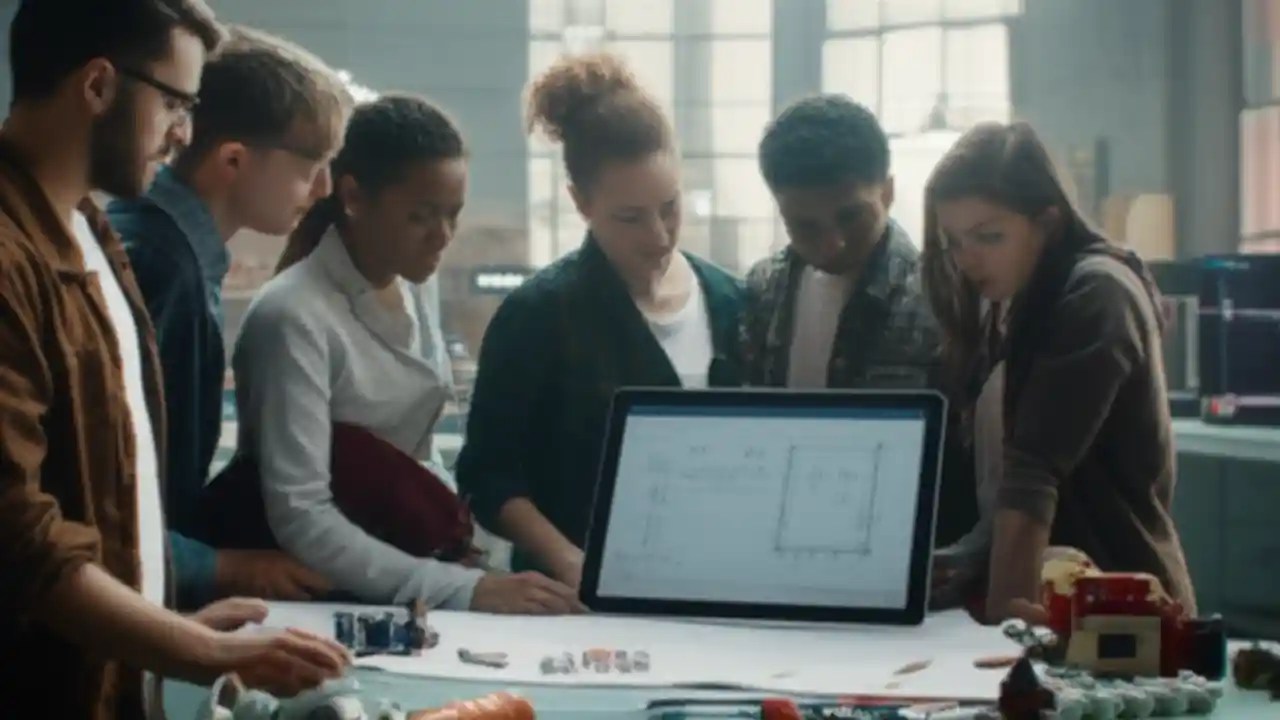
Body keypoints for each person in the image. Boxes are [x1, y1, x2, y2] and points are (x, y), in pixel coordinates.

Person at [0, 1, 348, 717]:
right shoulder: (14, 256)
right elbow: (18, 535)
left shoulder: (87, 233)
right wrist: (202, 650)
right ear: (97, 86)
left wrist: (167, 630)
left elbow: (110, 493)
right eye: (175, 103)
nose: (185, 132)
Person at [224, 94, 583, 615]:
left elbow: (415, 455)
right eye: (420, 216)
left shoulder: (414, 283)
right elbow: (302, 515)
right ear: (352, 196)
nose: (442, 237)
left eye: (453, 215)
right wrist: (461, 588)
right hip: (316, 591)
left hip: (404, 570)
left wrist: (460, 559)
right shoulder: (293, 315)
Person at [455, 54, 744, 587]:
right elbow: (487, 478)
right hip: (580, 601)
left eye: (671, 207)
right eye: (630, 217)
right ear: (580, 203)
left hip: (724, 581)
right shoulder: (538, 315)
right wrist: (570, 563)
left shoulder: (733, 300)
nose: (659, 235)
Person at [107, 25, 350, 609]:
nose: (323, 188)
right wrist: (218, 566)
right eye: (312, 164)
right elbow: (108, 486)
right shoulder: (160, 267)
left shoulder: (175, 253)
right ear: (234, 160)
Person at [919, 121, 1195, 622]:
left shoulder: (1098, 294)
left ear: (1045, 222)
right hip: (1043, 597)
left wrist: (1007, 615)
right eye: (954, 243)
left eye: (989, 236)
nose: (967, 259)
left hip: (1114, 607)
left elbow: (1034, 469)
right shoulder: (1006, 303)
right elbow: (999, 479)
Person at [743, 94, 975, 547]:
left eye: (851, 217)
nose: (832, 243)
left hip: (910, 550)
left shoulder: (946, 294)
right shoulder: (762, 291)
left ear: (886, 192)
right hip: (779, 541)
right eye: (804, 226)